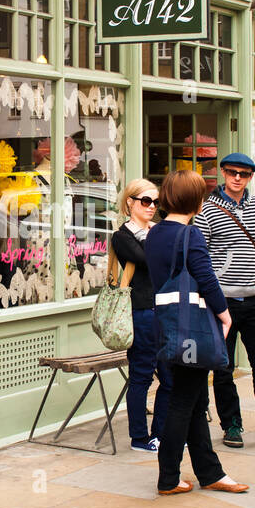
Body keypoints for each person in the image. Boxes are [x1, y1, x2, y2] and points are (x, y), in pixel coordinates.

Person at [144, 170, 247, 496]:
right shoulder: (191, 234)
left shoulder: (155, 233)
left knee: (195, 398)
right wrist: (225, 315)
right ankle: (168, 476)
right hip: (192, 329)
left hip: (168, 325)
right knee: (183, 400)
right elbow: (207, 280)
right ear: (196, 201)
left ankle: (210, 471)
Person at [194, 152, 255, 451]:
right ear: (223, 172)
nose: (237, 178)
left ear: (250, 177)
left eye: (244, 174)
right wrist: (212, 294)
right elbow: (200, 255)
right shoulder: (207, 210)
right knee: (223, 368)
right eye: (232, 172)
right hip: (222, 304)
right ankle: (231, 424)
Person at [110, 179, 169, 452]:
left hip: (166, 310)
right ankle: (139, 438)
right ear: (130, 202)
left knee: (169, 377)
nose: (152, 206)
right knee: (142, 376)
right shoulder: (122, 236)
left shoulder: (158, 231)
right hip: (142, 312)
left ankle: (160, 433)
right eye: (146, 201)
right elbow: (147, 260)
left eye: (156, 202)